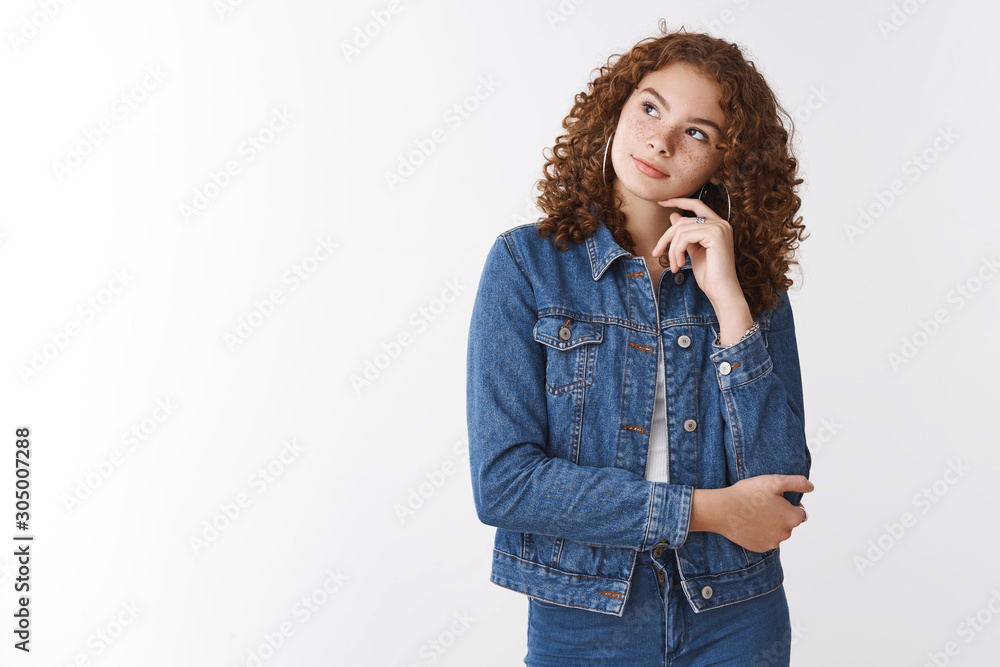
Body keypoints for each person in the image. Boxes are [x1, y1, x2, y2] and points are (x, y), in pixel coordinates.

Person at [466, 21, 814, 666]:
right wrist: (707, 512)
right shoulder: (527, 264)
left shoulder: (747, 285)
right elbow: (506, 485)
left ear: (723, 163)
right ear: (615, 109)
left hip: (736, 615)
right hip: (585, 614)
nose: (660, 139)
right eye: (650, 107)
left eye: (697, 133)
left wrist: (730, 304)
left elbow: (782, 493)